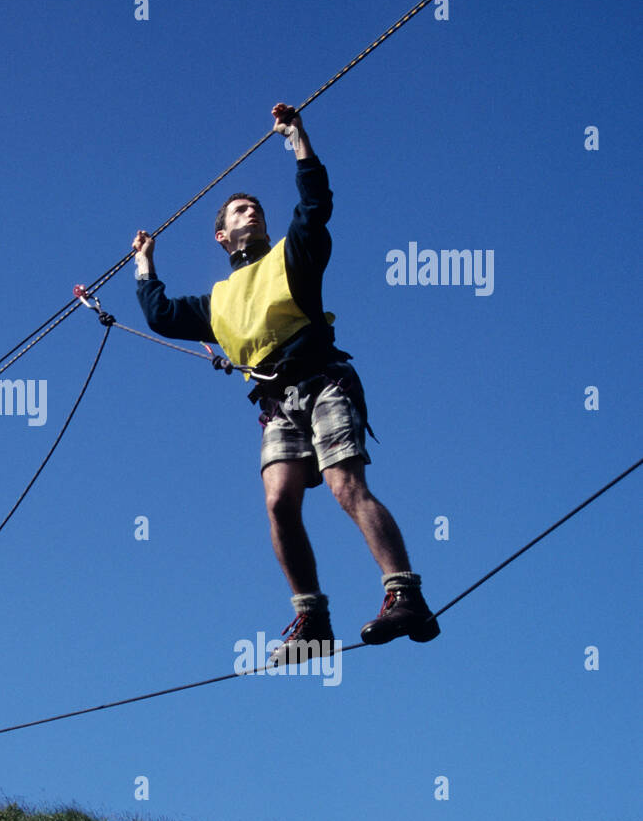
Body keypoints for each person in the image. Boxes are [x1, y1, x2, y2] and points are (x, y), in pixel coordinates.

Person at [132, 102, 439, 664]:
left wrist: (297, 139)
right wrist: (145, 264)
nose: (251, 213)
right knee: (278, 502)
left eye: (256, 208)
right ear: (222, 236)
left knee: (346, 485)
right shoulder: (217, 302)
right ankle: (314, 620)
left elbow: (315, 206)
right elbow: (160, 315)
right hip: (277, 403)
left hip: (323, 382)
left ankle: (405, 593)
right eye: (239, 211)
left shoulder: (288, 259)